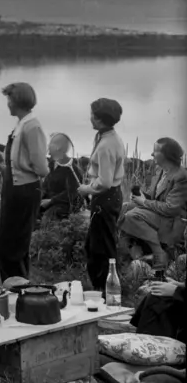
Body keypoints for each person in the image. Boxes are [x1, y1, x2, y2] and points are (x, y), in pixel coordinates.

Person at [0, 83, 49, 280]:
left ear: (16, 102)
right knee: (10, 246)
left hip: (24, 190)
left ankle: (17, 292)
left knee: (10, 247)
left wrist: (21, 169)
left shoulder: (32, 126)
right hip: (14, 189)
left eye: (9, 99)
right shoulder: (22, 123)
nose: (7, 104)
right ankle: (19, 288)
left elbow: (41, 167)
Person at [77, 97, 126, 290]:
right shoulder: (107, 136)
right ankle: (102, 288)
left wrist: (86, 189)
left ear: (99, 119)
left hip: (106, 198)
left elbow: (105, 182)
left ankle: (104, 292)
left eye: (92, 115)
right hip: (107, 197)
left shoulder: (106, 145)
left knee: (101, 249)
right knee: (94, 246)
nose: (90, 118)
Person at [119, 137, 187, 271]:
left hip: (172, 221)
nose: (151, 154)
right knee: (124, 207)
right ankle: (127, 250)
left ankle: (158, 252)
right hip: (159, 215)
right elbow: (155, 197)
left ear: (167, 154)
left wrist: (144, 202)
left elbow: (171, 208)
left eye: (155, 151)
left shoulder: (181, 176)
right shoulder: (160, 172)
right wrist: (142, 196)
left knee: (133, 215)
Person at [40, 133, 84, 222]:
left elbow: (71, 193)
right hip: (49, 201)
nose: (48, 152)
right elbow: (45, 186)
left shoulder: (72, 169)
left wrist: (51, 201)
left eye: (51, 148)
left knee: (48, 217)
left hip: (64, 204)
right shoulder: (51, 165)